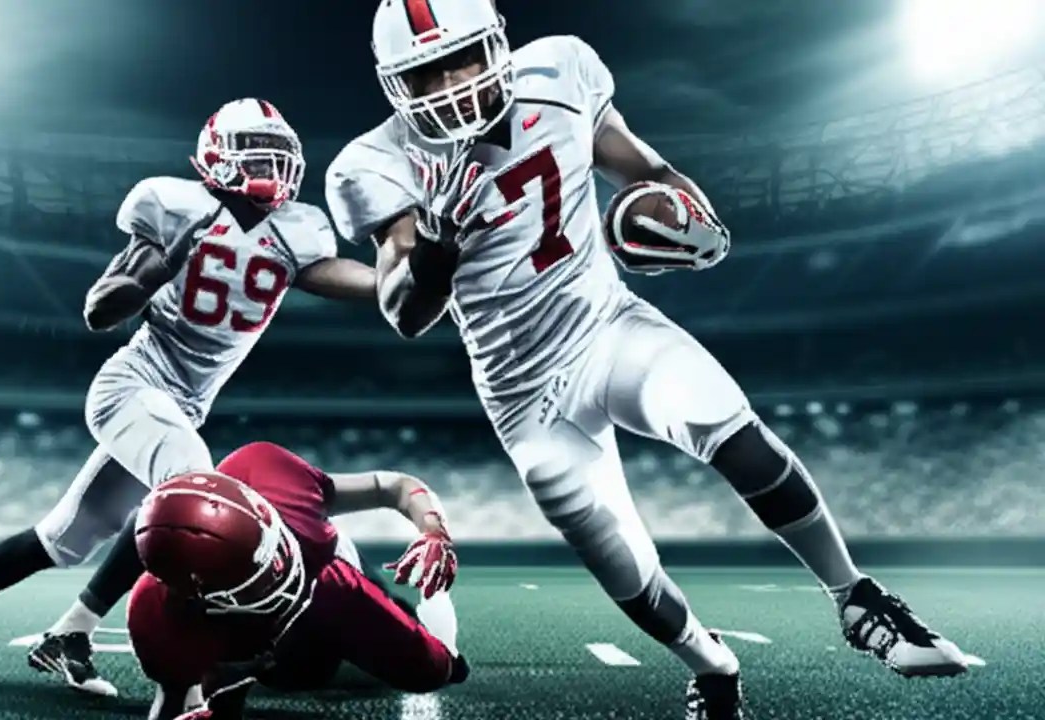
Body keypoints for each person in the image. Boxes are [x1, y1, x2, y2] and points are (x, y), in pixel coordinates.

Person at [324, 2, 967, 717]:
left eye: (464, 59)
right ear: (396, 86)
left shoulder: (559, 71)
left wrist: (694, 221)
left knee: (730, 429)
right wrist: (439, 246)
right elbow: (406, 314)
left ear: (498, 44)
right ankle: (713, 665)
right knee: (625, 569)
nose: (453, 86)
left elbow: (650, 171)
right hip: (523, 394)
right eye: (428, 74)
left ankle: (858, 598)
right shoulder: (376, 163)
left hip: (607, 326)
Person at [0, 98, 377, 695]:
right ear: (217, 156)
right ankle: (168, 665)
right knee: (192, 494)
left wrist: (399, 281)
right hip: (133, 386)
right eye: (255, 154)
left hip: (179, 407)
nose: (269, 168)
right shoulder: (175, 204)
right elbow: (99, 310)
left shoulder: (299, 228)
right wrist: (159, 267)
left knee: (60, 541)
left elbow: (332, 274)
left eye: (278, 157)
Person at [127, 441, 467, 720]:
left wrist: (433, 529)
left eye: (273, 553)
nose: (280, 572)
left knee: (433, 670)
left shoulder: (273, 475)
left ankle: (407, 616)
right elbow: (175, 697)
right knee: (287, 677)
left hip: (327, 586)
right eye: (255, 581)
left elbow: (392, 487)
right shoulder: (158, 610)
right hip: (255, 639)